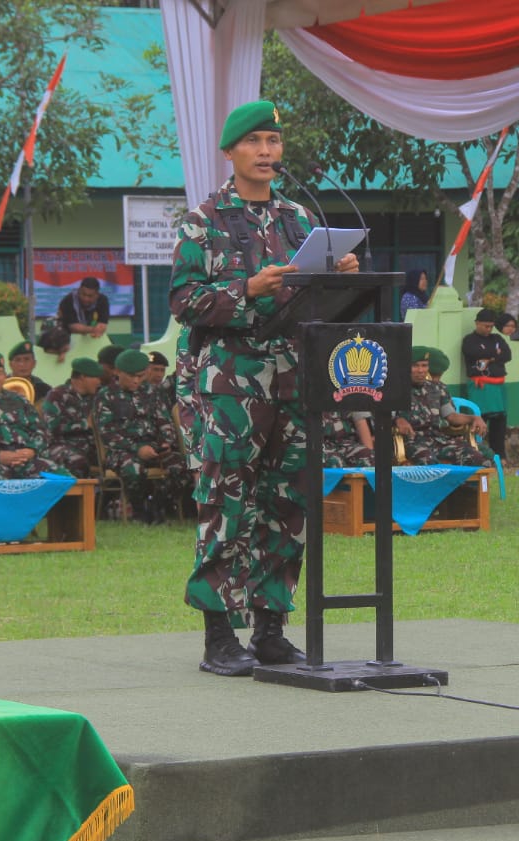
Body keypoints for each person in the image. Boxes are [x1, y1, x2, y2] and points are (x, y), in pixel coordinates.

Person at [170, 99, 360, 676]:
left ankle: (271, 629)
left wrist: (339, 276)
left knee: (288, 502)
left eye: (273, 141)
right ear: (229, 152)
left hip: (294, 379)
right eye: (253, 142)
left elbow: (311, 300)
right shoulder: (204, 220)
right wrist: (247, 289)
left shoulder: (298, 218)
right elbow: (184, 301)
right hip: (229, 383)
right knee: (226, 502)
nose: (266, 152)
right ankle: (219, 636)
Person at [94, 349, 187, 523]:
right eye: (131, 376)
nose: (136, 380)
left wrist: (166, 443)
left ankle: (157, 506)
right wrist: (138, 449)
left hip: (154, 449)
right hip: (122, 452)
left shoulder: (153, 392)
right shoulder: (106, 396)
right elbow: (108, 434)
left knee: (182, 466)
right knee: (133, 470)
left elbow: (165, 422)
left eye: (140, 376)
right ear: (118, 372)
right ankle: (139, 510)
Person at [0, 352, 68, 480]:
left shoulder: (19, 400)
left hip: (26, 459)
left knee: (64, 479)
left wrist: (31, 450)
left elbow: (41, 431)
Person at [395, 347, 488, 466]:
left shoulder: (437, 388)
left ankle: (471, 479)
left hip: (439, 440)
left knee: (475, 457)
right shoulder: (395, 390)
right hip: (412, 442)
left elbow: (451, 416)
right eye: (415, 366)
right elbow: (383, 418)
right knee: (428, 462)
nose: (420, 370)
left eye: (424, 366)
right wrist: (398, 420)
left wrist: (474, 418)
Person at [461, 308, 511, 458]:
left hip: (498, 386)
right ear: (477, 323)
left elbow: (507, 354)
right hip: (480, 387)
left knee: (500, 420)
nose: (488, 329)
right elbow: (474, 353)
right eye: (485, 326)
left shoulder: (497, 338)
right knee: (480, 419)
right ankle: (477, 454)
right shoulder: (470, 340)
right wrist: (495, 355)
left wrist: (490, 359)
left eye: (491, 326)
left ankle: (499, 455)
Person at [41, 357, 105, 477]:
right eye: (95, 378)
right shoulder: (58, 395)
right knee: (77, 461)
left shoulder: (98, 397)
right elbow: (51, 426)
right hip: (62, 445)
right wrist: (85, 424)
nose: (99, 382)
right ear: (82, 377)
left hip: (92, 447)